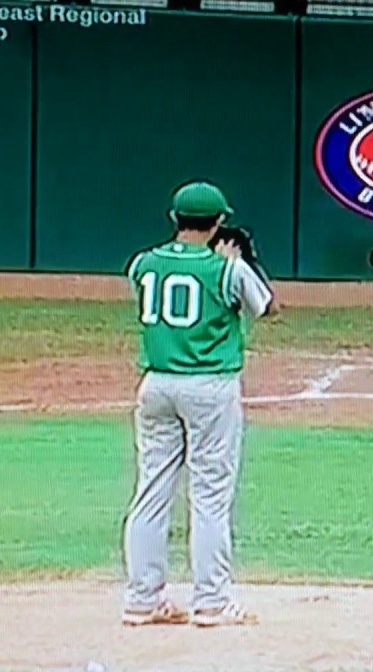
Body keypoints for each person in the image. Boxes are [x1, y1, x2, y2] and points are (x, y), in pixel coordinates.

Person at [121, 180, 276, 628]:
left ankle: (142, 598)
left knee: (151, 489)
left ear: (174, 219)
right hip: (210, 387)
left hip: (156, 384)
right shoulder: (224, 268)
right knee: (210, 495)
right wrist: (239, 264)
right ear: (218, 222)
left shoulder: (143, 264)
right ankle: (212, 601)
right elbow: (266, 308)